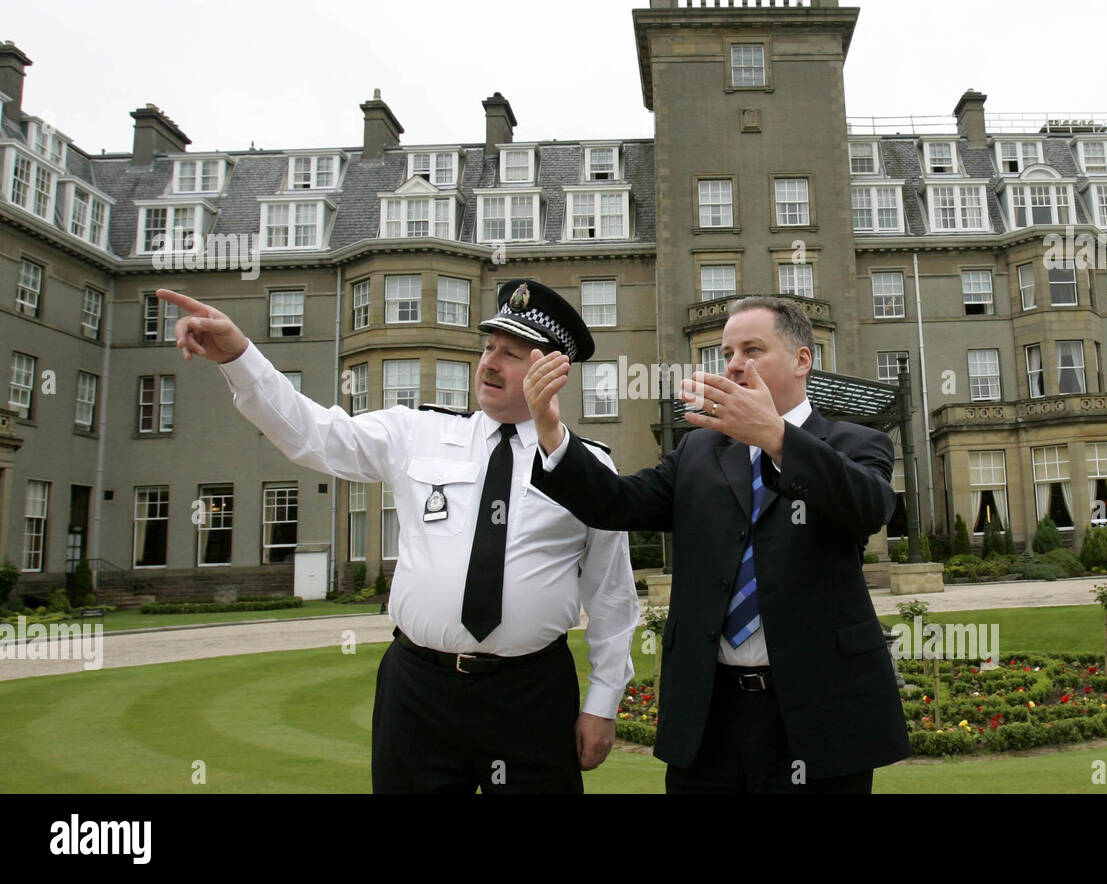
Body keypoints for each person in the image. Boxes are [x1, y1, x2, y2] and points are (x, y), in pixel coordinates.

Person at [157, 280, 639, 794]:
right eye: (489, 347)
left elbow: (612, 595)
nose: (489, 363)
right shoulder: (417, 431)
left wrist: (603, 704)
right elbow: (313, 434)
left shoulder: (588, 469)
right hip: (419, 691)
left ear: (552, 371)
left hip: (530, 695)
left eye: (512, 354)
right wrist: (239, 357)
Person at [524, 295, 911, 793]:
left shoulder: (854, 444)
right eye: (727, 353)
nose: (733, 364)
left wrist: (776, 437)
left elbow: (870, 507)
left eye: (752, 349)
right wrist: (552, 432)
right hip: (709, 717)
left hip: (819, 715)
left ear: (801, 360)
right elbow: (615, 502)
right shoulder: (699, 449)